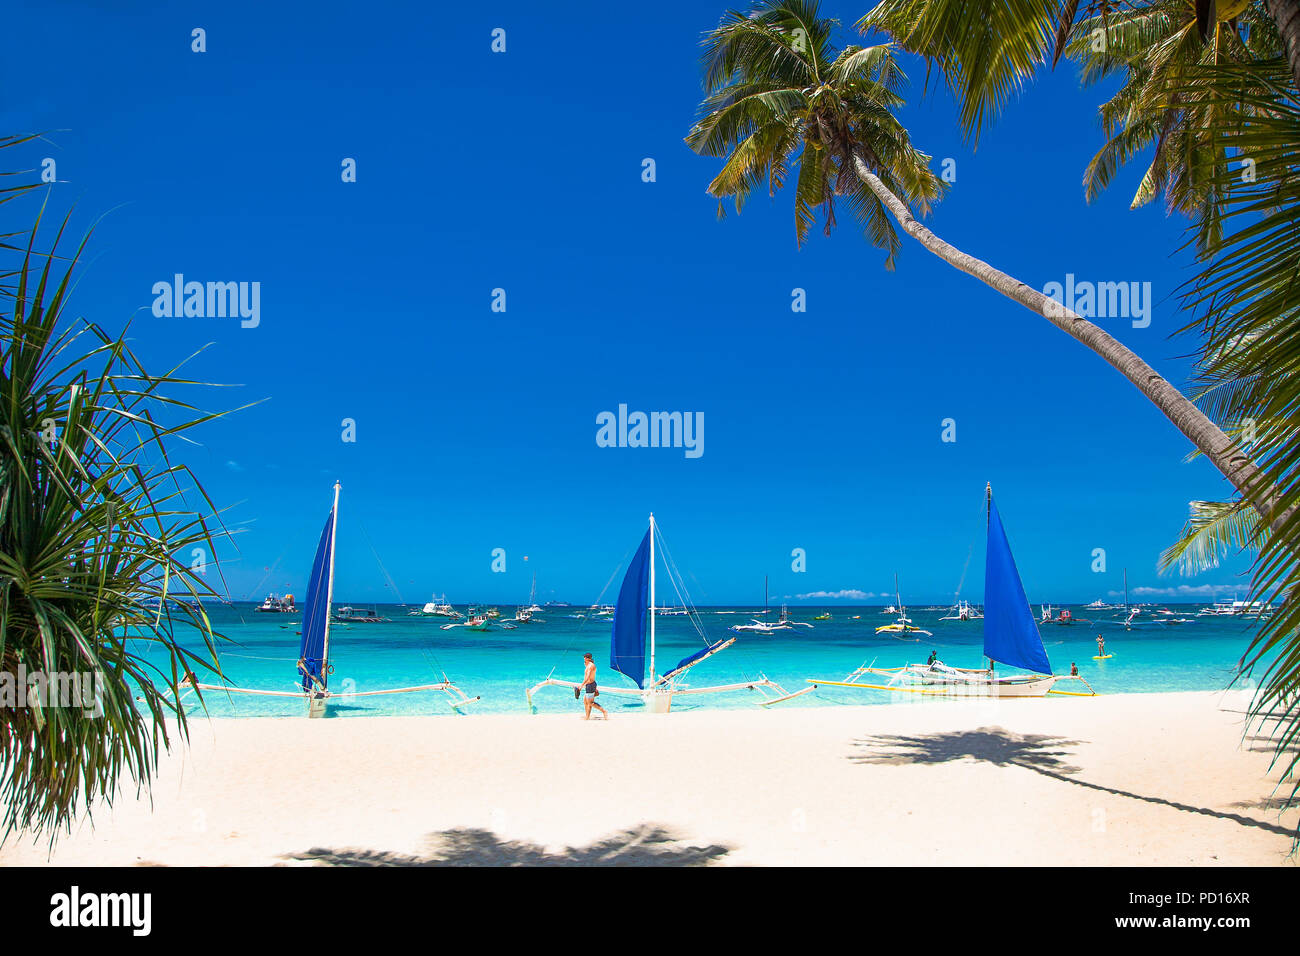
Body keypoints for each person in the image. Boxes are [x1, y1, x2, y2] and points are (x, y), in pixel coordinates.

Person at [580, 652, 608, 720]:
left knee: (590, 702)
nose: (584, 659)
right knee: (585, 701)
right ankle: (587, 717)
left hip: (590, 685)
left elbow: (588, 677)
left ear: (586, 658)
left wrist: (581, 685)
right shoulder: (588, 665)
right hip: (590, 685)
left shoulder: (590, 666)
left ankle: (604, 711)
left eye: (584, 658)